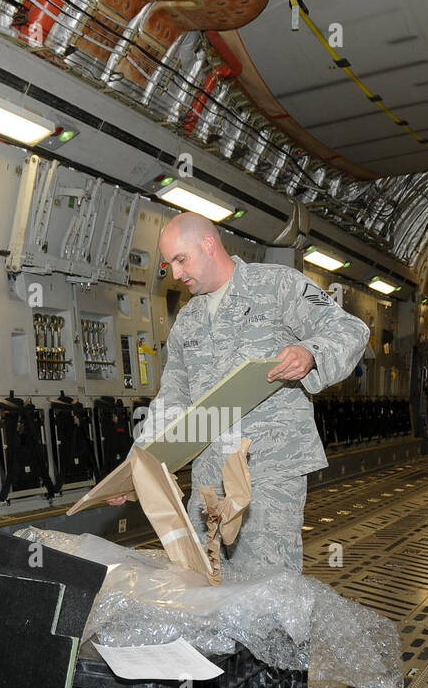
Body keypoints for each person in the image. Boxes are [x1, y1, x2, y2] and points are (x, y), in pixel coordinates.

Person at [113, 212, 368, 577]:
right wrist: (135, 468)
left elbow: (350, 329)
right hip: (209, 475)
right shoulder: (188, 320)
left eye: (181, 259)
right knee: (201, 580)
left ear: (208, 243)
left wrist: (310, 353)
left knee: (266, 588)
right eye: (169, 265)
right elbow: (171, 401)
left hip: (270, 470)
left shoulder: (278, 286)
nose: (176, 273)